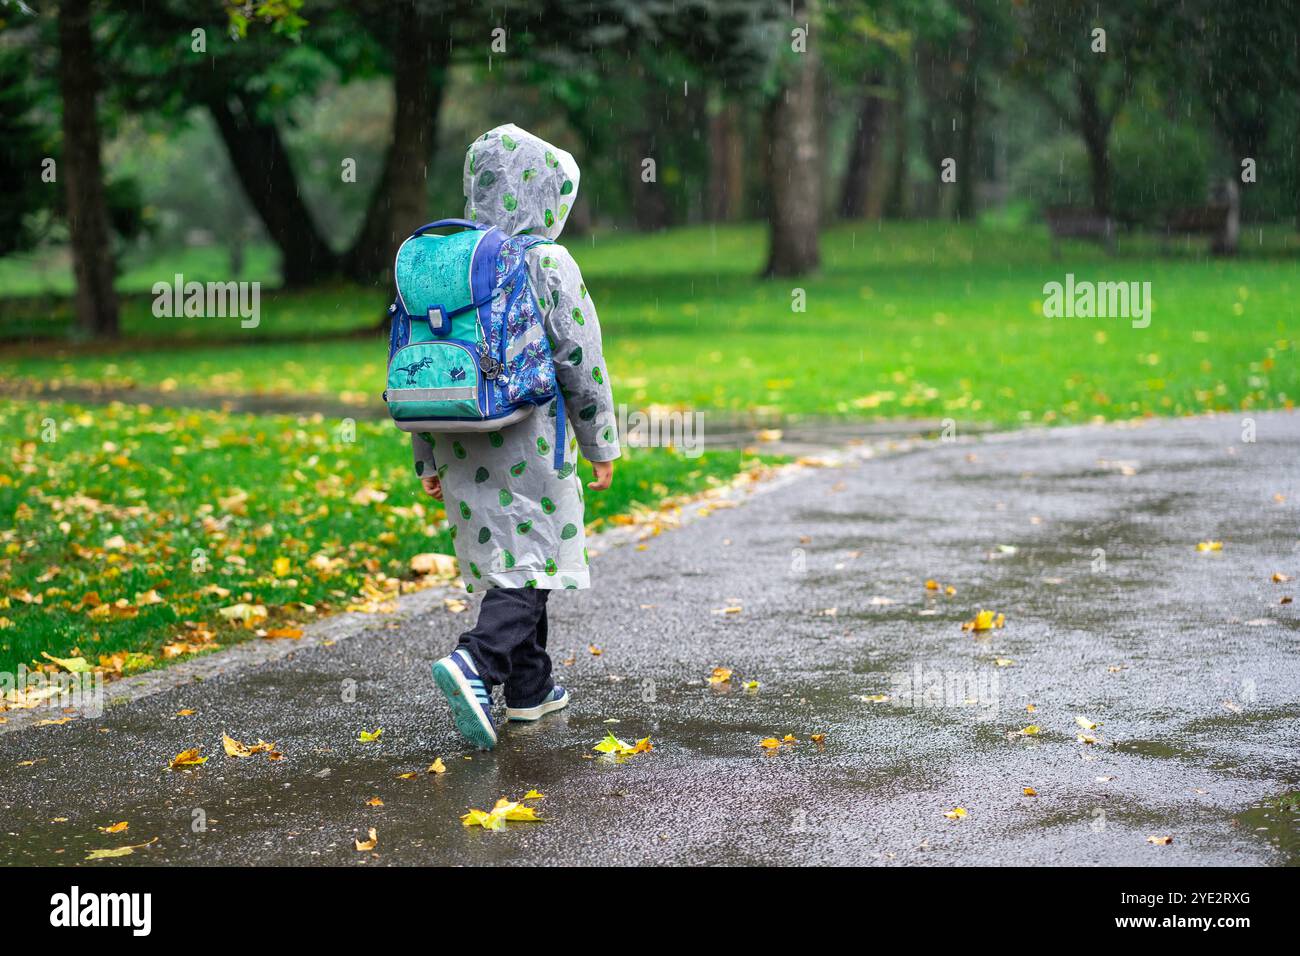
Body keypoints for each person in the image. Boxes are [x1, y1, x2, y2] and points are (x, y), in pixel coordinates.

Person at [422, 124, 620, 750]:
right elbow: (580, 357)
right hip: (531, 432)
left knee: (514, 550)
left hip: (458, 430)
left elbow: (425, 361)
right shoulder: (546, 262)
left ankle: (531, 688)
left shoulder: (447, 260)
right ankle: (476, 661)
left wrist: (424, 453)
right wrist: (601, 441)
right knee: (533, 553)